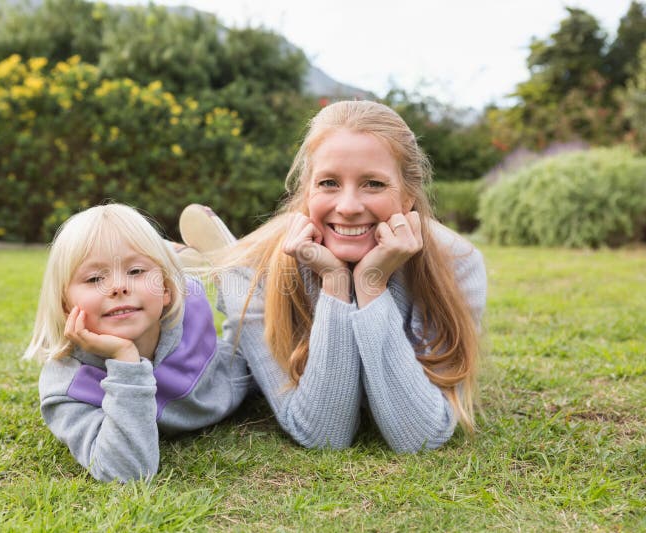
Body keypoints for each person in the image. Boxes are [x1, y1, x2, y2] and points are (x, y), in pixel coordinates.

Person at [182, 100, 486, 452]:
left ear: (407, 197)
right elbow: (325, 434)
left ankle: (219, 251)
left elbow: (420, 435)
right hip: (248, 273)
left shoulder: (458, 263)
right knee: (230, 379)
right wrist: (334, 282)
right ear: (307, 191)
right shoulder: (250, 272)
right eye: (329, 183)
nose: (349, 207)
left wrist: (371, 283)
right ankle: (218, 257)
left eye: (373, 184)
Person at [23, 203, 251, 482]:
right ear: (64, 305)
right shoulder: (69, 389)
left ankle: (225, 266)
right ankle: (169, 257)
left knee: (250, 318)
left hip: (233, 372)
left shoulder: (187, 299)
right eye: (95, 278)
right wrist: (125, 360)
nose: (118, 287)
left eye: (134, 272)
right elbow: (128, 471)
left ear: (166, 291)